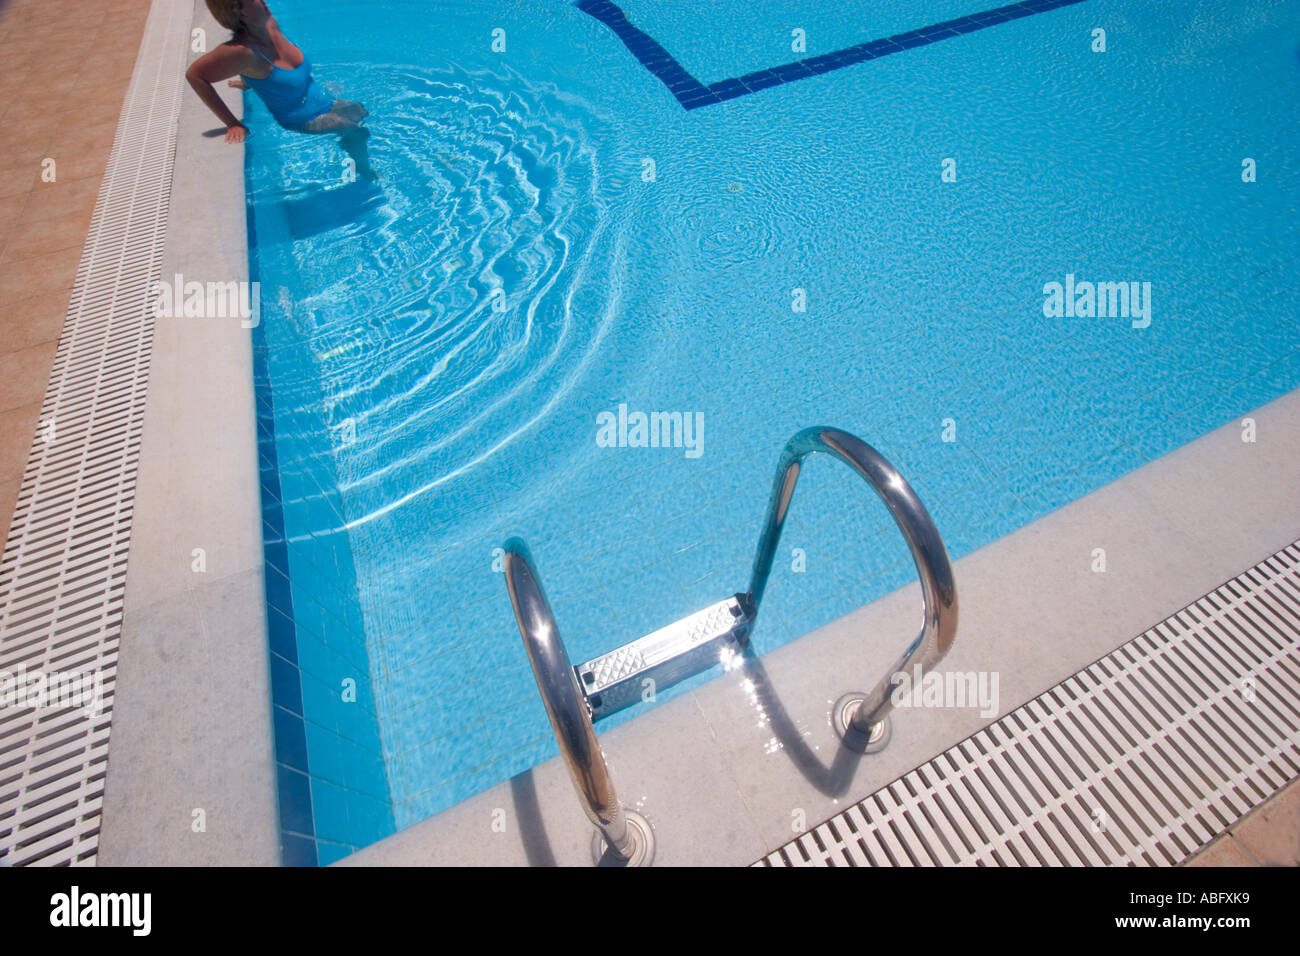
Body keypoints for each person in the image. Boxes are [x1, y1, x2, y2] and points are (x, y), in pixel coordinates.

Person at [186, 0, 376, 178]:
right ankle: (363, 171)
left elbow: (265, 70)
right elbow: (195, 76)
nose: (263, 1)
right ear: (240, 12)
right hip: (300, 118)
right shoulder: (240, 52)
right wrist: (232, 123)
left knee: (361, 111)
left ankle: (347, 145)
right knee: (356, 131)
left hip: (322, 100)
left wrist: (250, 81)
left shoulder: (271, 25)